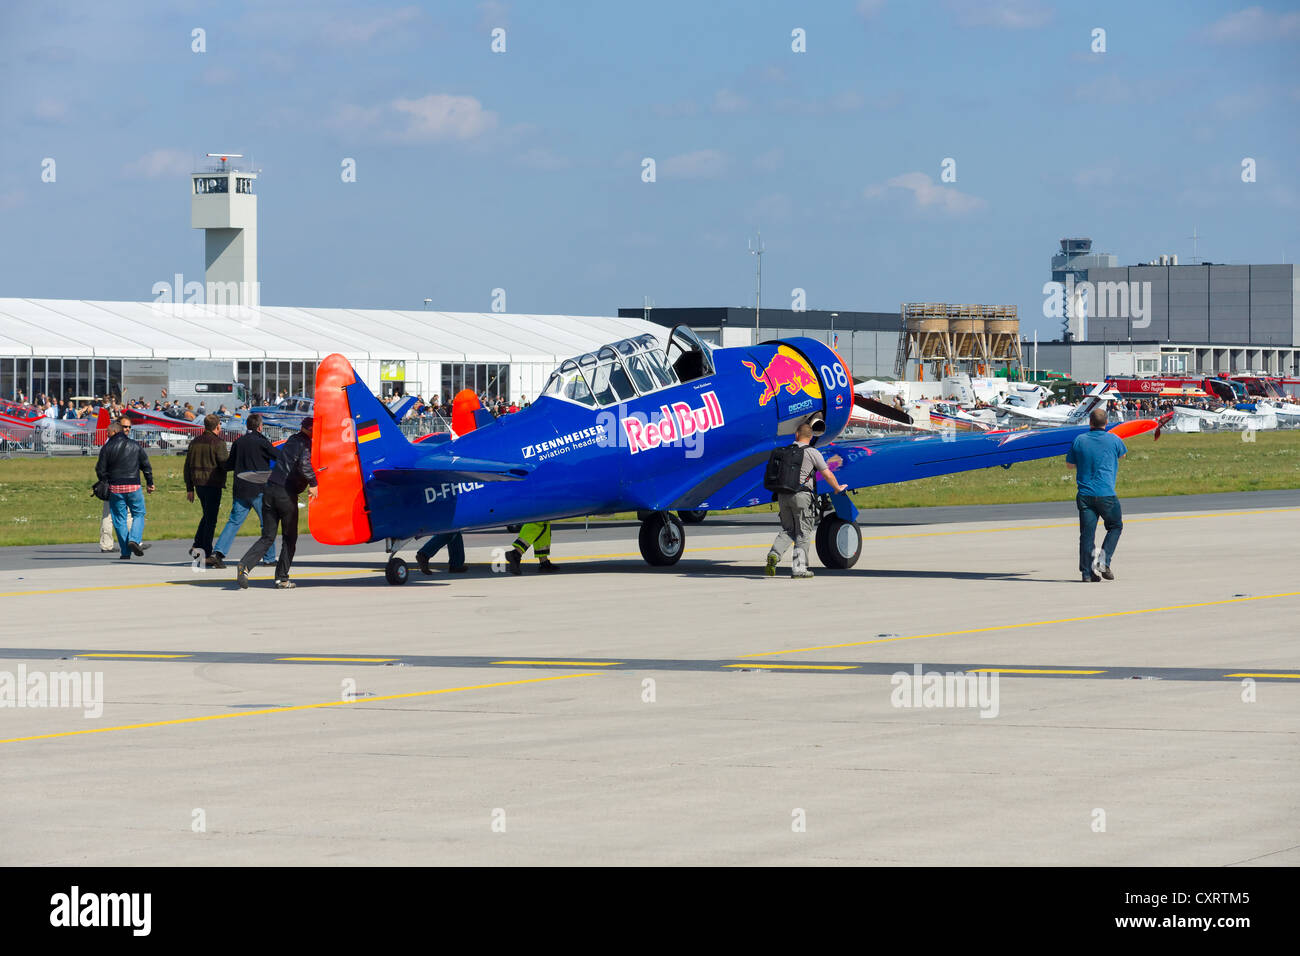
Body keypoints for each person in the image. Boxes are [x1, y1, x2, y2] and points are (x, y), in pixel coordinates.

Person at [237, 416, 317, 589]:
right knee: (289, 538)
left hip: (269, 489)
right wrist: (314, 483)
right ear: (312, 430)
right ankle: (282, 578)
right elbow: (304, 465)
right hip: (285, 494)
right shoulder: (305, 443)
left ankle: (245, 565)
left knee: (268, 537)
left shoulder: (291, 440)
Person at [765, 422, 847, 579]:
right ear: (811, 437)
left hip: (783, 495)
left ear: (796, 434)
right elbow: (827, 474)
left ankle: (774, 554)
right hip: (802, 496)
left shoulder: (785, 451)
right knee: (803, 532)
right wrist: (837, 487)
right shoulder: (812, 453)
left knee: (788, 530)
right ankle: (799, 569)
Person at [1066, 406, 1127, 582]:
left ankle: (1086, 573)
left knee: (1087, 534)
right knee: (1115, 526)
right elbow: (1122, 456)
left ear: (1090, 422)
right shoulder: (1114, 439)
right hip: (1106, 493)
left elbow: (1069, 465)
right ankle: (1103, 560)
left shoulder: (1079, 440)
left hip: (1085, 494)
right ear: (1106, 423)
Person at [211, 412, 276, 570]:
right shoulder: (263, 442)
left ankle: (218, 553)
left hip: (240, 489)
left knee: (233, 522)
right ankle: (269, 558)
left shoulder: (238, 442)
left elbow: (229, 465)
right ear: (260, 426)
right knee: (267, 524)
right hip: (259, 489)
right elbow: (277, 456)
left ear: (247, 426)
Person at [95, 417, 154, 560]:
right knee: (138, 513)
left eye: (108, 432)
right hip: (134, 485)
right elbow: (145, 465)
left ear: (115, 431)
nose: (107, 434)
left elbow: (100, 469)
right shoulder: (135, 445)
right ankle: (134, 538)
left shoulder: (107, 447)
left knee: (119, 519)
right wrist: (150, 482)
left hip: (115, 487)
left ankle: (125, 552)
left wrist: (105, 481)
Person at [183, 414, 229, 564]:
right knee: (211, 519)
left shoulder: (195, 442)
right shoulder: (219, 443)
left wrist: (189, 488)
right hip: (213, 483)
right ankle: (207, 552)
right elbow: (224, 463)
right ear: (217, 427)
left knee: (207, 515)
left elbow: (187, 466)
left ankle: (197, 545)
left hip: (198, 485)